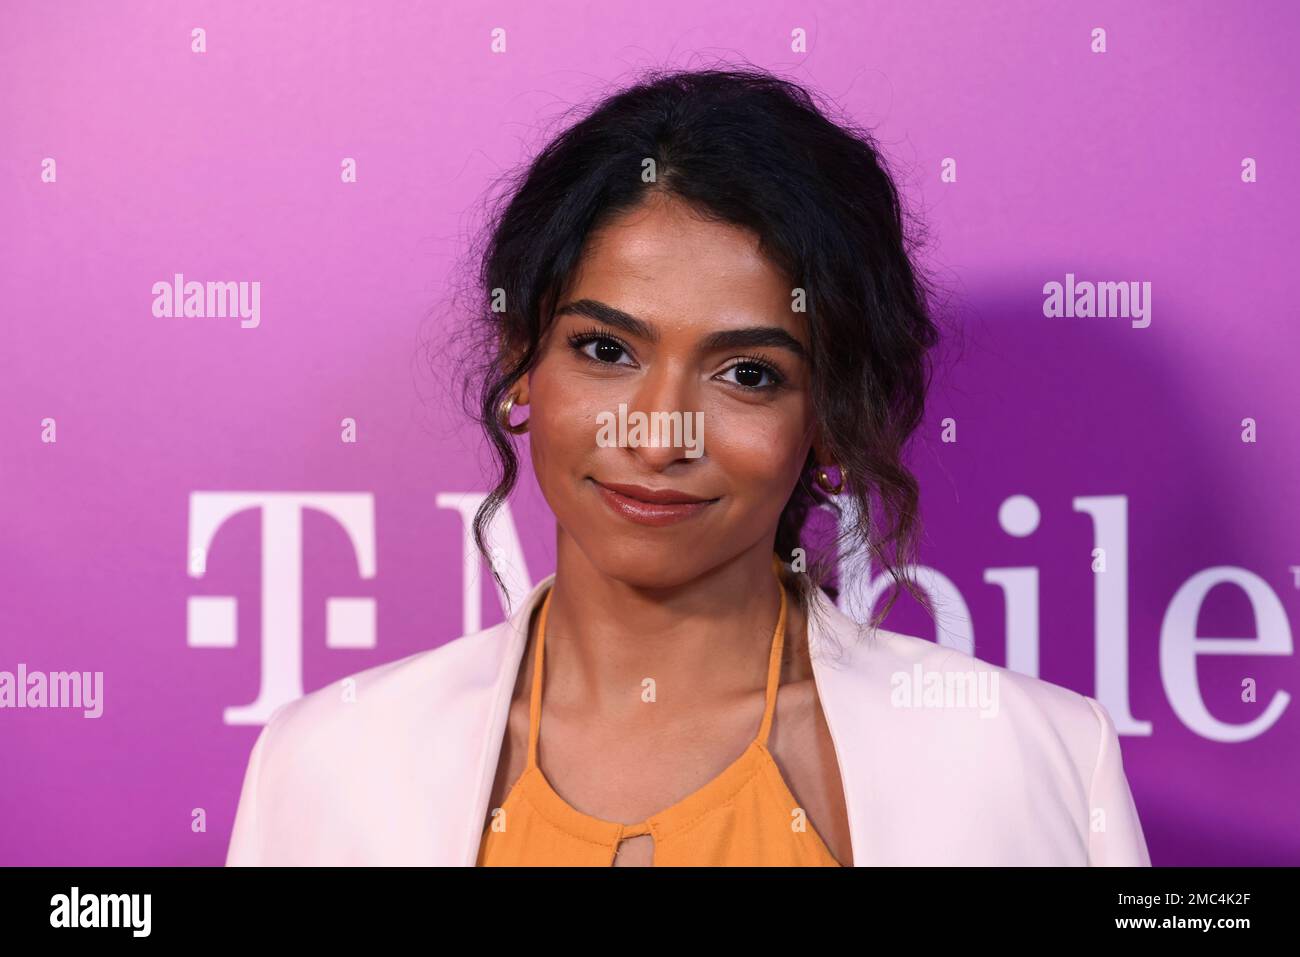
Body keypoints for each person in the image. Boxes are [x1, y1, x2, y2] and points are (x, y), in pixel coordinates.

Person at [226, 66, 1150, 867]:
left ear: (828, 419)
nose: (660, 433)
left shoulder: (1035, 761)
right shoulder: (329, 762)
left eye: (748, 373)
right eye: (604, 350)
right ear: (522, 362)